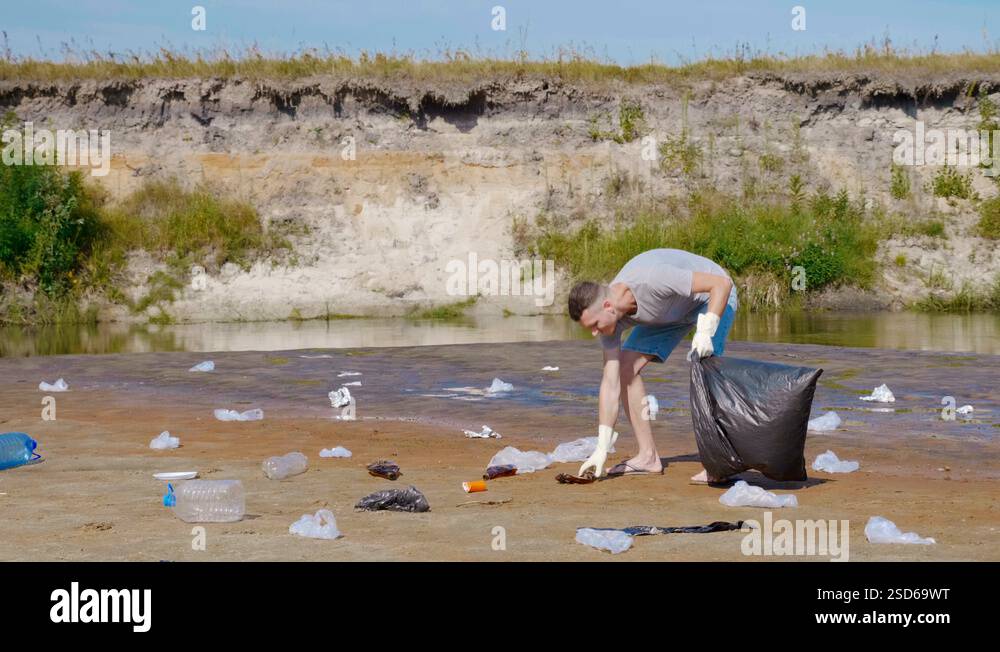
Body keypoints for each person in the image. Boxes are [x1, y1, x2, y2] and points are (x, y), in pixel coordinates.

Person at [567, 248, 738, 482]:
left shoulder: (653, 279)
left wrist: (707, 330)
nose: (595, 332)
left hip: (711, 297)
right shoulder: (610, 322)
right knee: (625, 369)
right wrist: (602, 447)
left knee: (705, 366)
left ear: (607, 306)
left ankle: (721, 462)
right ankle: (648, 457)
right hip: (670, 312)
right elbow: (610, 382)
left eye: (595, 324)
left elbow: (722, 284)